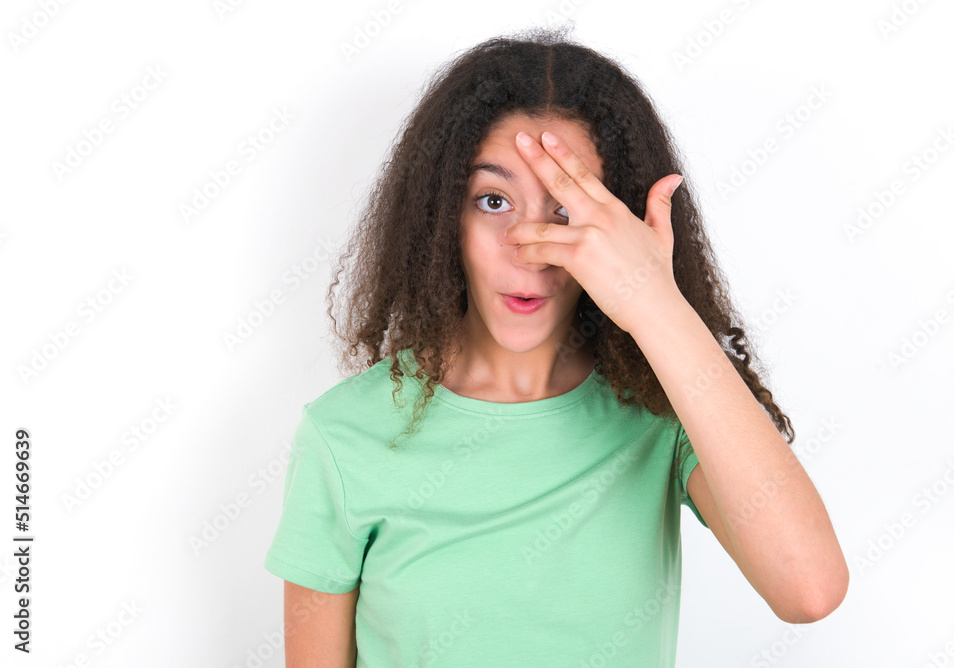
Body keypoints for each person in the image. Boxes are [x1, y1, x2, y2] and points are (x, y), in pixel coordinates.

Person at [263, 25, 849, 667]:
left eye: (566, 212)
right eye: (493, 201)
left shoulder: (664, 414)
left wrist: (654, 300)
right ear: (441, 217)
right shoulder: (343, 436)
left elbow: (809, 589)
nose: (529, 247)